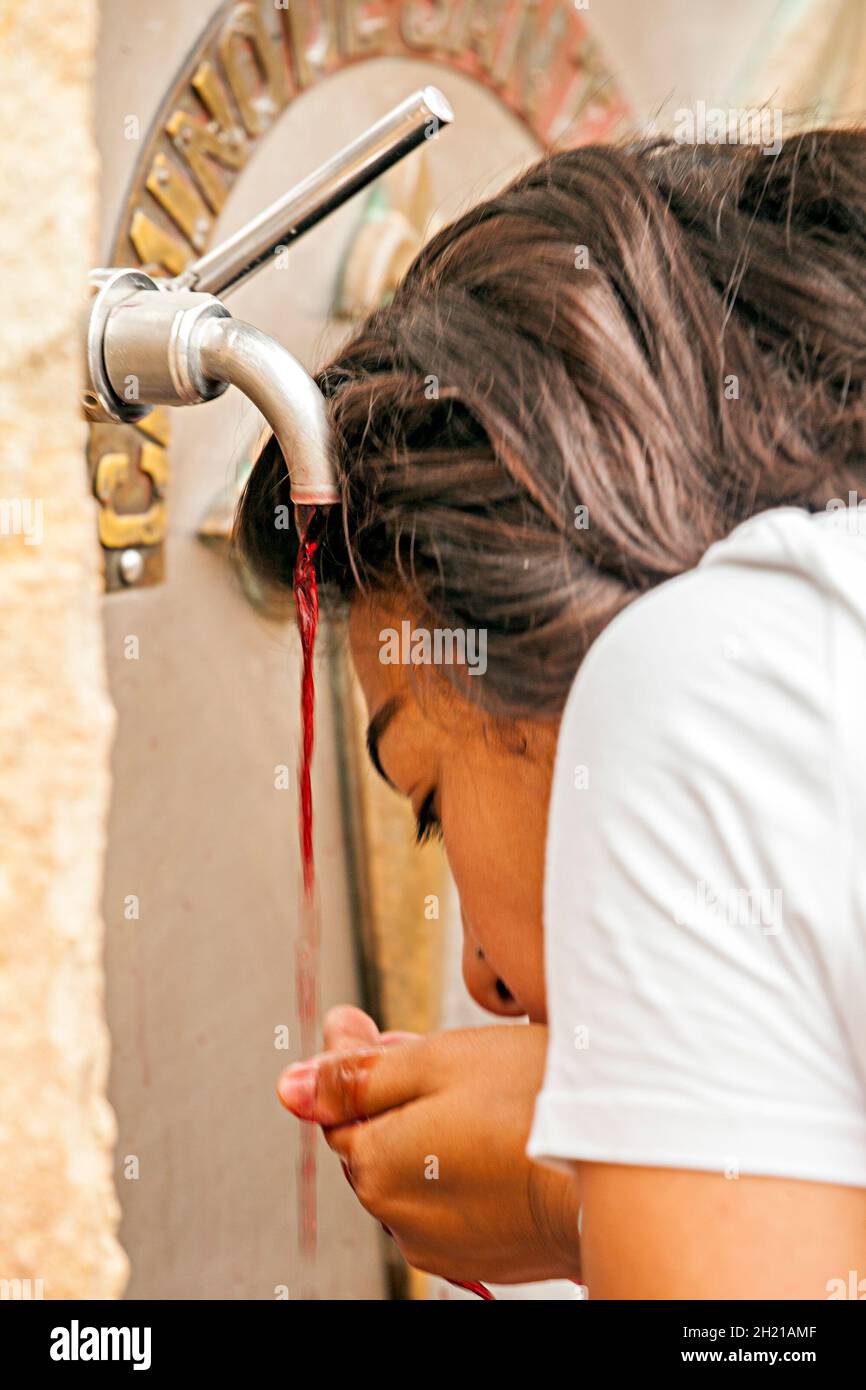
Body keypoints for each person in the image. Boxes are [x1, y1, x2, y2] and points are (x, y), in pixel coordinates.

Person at [238, 130, 866, 1298]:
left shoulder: (693, 674)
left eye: (426, 800)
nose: (481, 980)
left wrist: (578, 1184)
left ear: (554, 615)